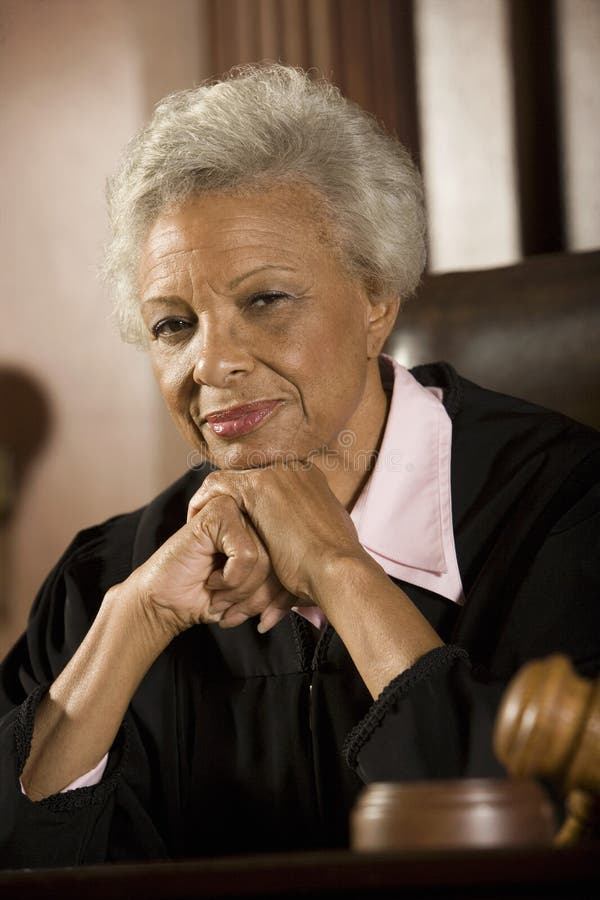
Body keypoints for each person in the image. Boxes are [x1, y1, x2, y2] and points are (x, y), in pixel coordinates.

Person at [0, 64, 598, 868]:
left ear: (375, 298)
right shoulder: (103, 576)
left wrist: (337, 567)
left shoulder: (570, 510)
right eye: (174, 324)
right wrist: (134, 619)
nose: (212, 363)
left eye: (265, 301)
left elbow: (535, 844)